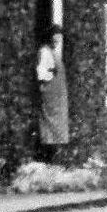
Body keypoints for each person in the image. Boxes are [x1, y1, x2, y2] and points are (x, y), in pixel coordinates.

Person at [36, 25, 69, 161]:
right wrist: (51, 74)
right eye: (54, 40)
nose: (56, 43)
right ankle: (49, 157)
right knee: (50, 128)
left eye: (58, 40)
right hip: (50, 97)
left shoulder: (54, 53)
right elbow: (41, 73)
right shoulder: (45, 52)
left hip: (58, 97)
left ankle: (56, 157)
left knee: (58, 128)